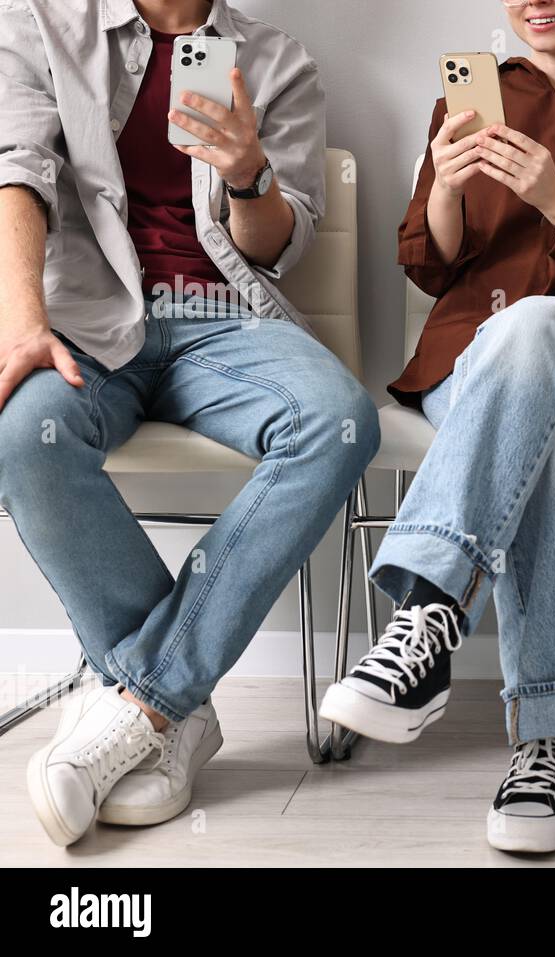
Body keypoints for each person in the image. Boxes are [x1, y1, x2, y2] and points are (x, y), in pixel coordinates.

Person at [0, 0, 378, 847]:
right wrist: (22, 322)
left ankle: (142, 701)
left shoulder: (280, 61)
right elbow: (14, 171)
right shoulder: (37, 21)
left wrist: (248, 175)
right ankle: (175, 707)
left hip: (225, 318)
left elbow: (282, 245)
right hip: (88, 317)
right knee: (24, 433)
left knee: (340, 420)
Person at [320, 0, 555, 853]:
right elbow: (425, 263)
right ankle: (543, 745)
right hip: (471, 359)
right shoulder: (467, 102)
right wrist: (446, 185)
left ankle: (427, 609)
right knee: (547, 447)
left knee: (530, 327)